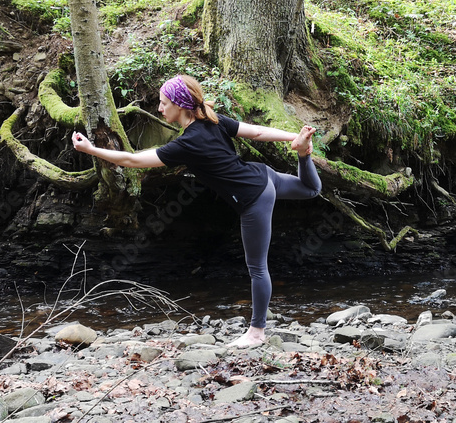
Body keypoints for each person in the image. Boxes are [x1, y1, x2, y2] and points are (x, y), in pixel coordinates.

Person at [71, 75, 321, 347]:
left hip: (253, 197)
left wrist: (91, 149)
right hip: (265, 178)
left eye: (164, 103)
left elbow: (132, 160)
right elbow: (258, 133)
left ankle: (257, 333)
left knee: (257, 268)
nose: (159, 108)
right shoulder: (212, 120)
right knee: (311, 189)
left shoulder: (187, 143)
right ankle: (303, 155)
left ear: (179, 105)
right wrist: (295, 139)